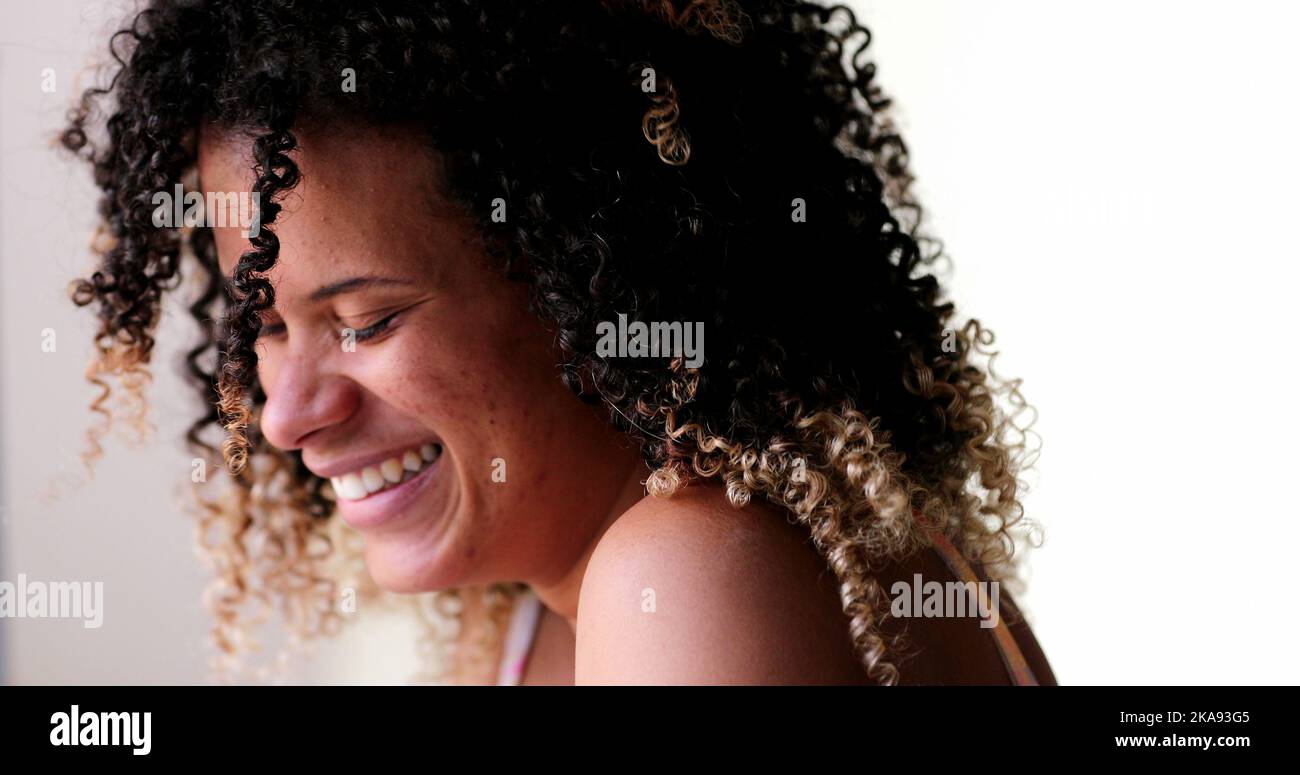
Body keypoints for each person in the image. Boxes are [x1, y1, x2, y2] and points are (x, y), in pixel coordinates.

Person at [62, 0, 1054, 685]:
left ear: (600, 274)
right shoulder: (543, 603)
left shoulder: (693, 571)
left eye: (365, 322)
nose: (284, 415)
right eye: (264, 327)